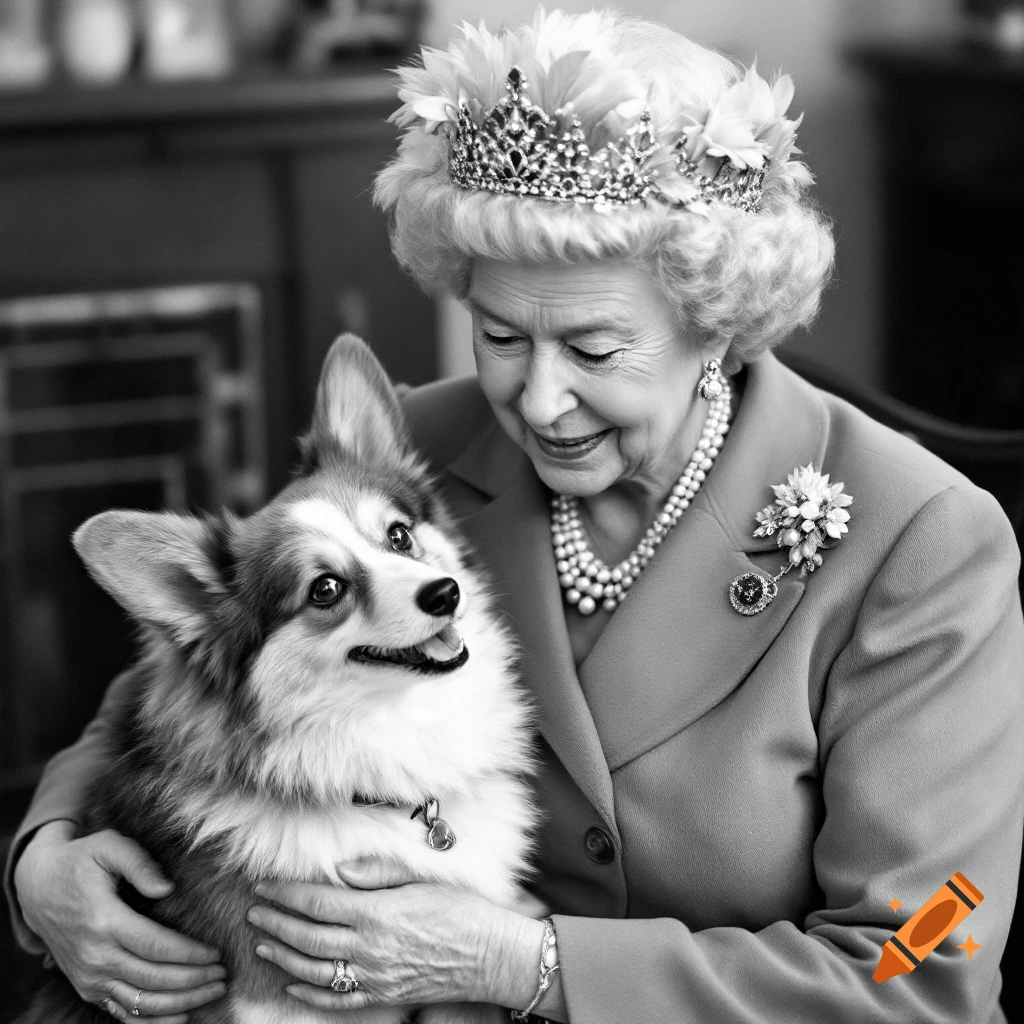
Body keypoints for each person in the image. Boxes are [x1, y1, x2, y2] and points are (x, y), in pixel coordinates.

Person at [7, 8, 1024, 1023]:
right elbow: (187, 691)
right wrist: (44, 862)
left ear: (715, 320)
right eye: (499, 336)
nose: (537, 402)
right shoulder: (415, 454)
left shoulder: (926, 543)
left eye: (591, 350)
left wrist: (522, 963)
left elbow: (925, 964)